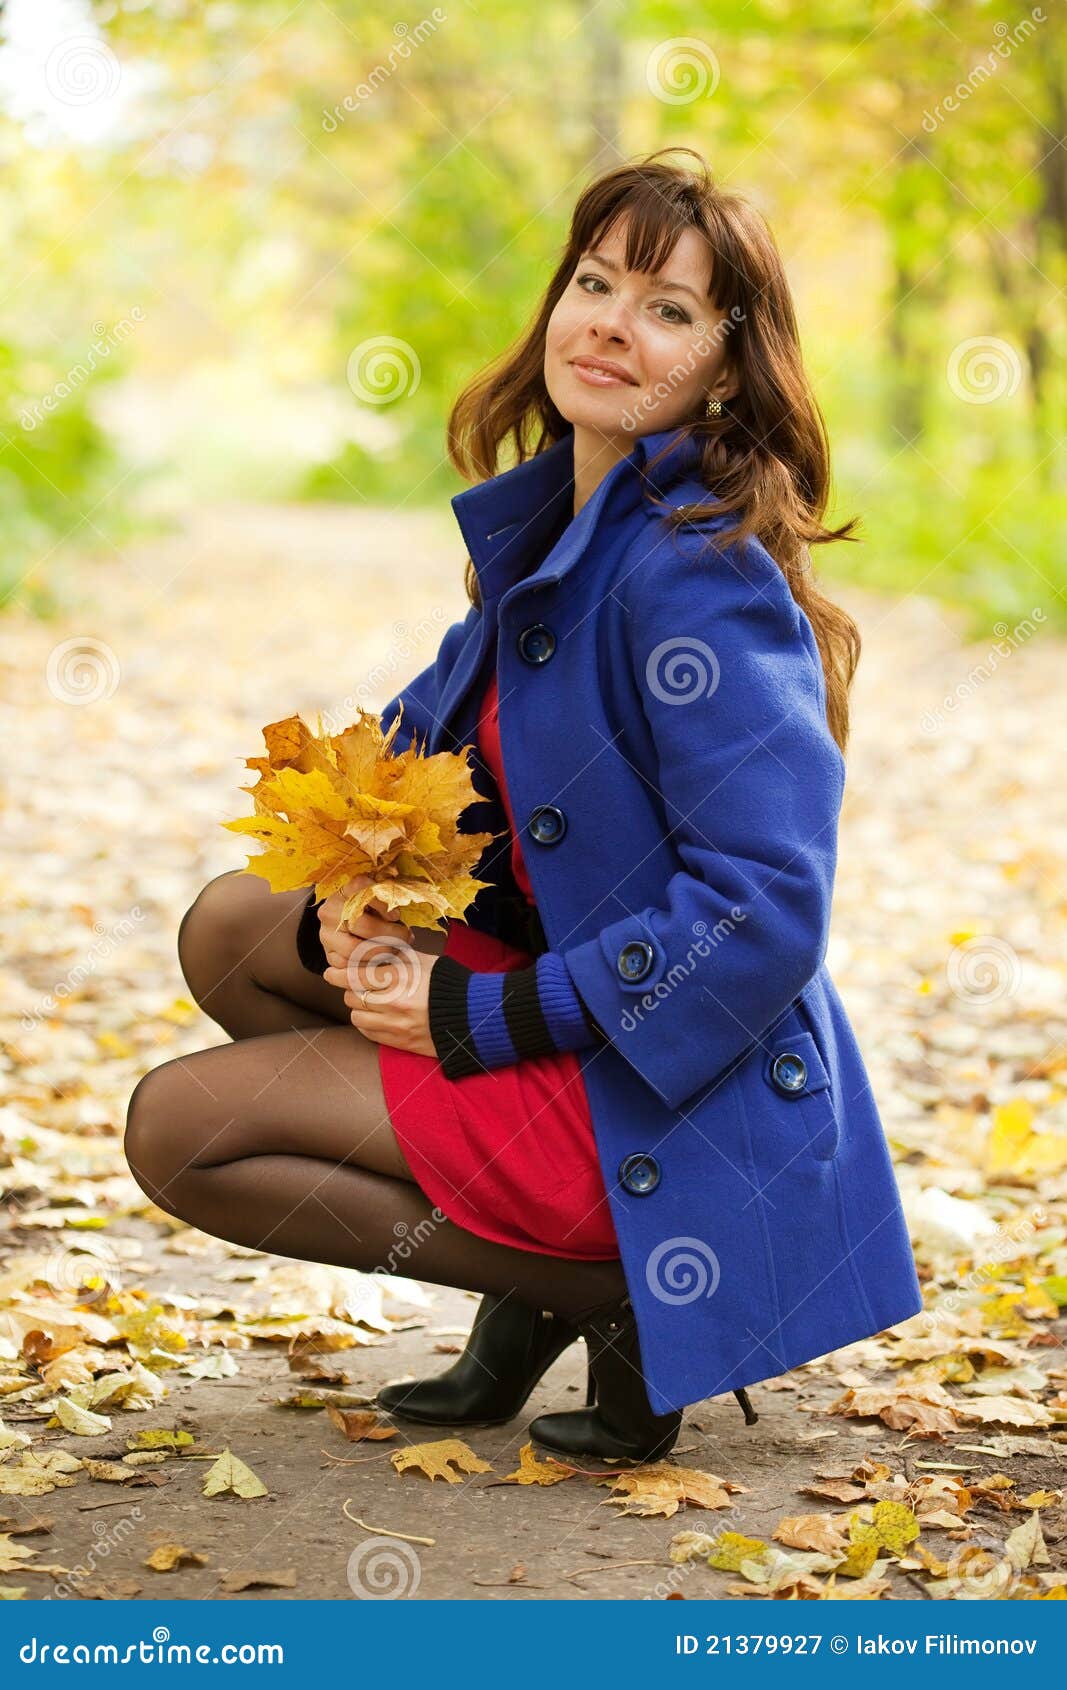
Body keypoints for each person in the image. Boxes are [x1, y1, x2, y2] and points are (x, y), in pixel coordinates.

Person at [124, 146, 921, 1467]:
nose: (610, 320)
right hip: (577, 1018)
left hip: (658, 1096)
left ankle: (622, 1298)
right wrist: (354, 867)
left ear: (726, 369)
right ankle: (541, 1288)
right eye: (595, 281)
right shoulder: (560, 528)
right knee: (237, 928)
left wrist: (471, 1013)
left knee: (180, 1130)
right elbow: (414, 754)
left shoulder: (698, 576)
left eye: (667, 307)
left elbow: (766, 910)